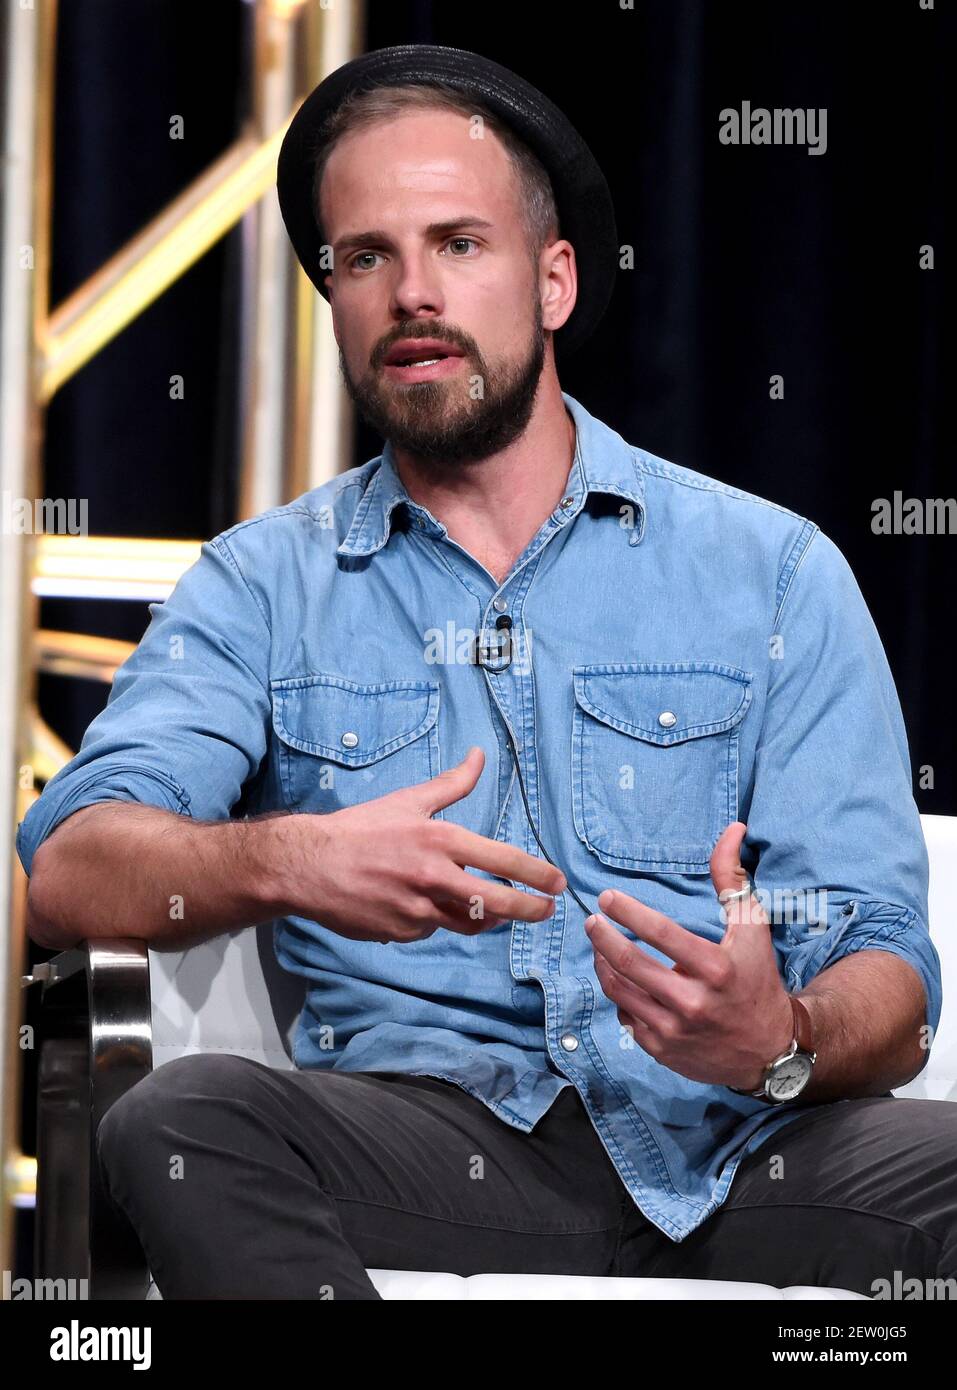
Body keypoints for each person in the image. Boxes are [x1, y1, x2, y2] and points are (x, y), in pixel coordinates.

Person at [17, 44, 952, 1301]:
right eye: (364, 257)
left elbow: (884, 963)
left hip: (744, 1147)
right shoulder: (259, 584)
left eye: (460, 244)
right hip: (425, 1148)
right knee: (179, 1125)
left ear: (554, 280)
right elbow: (69, 868)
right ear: (334, 296)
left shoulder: (772, 571)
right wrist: (299, 859)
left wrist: (776, 1038)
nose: (412, 293)